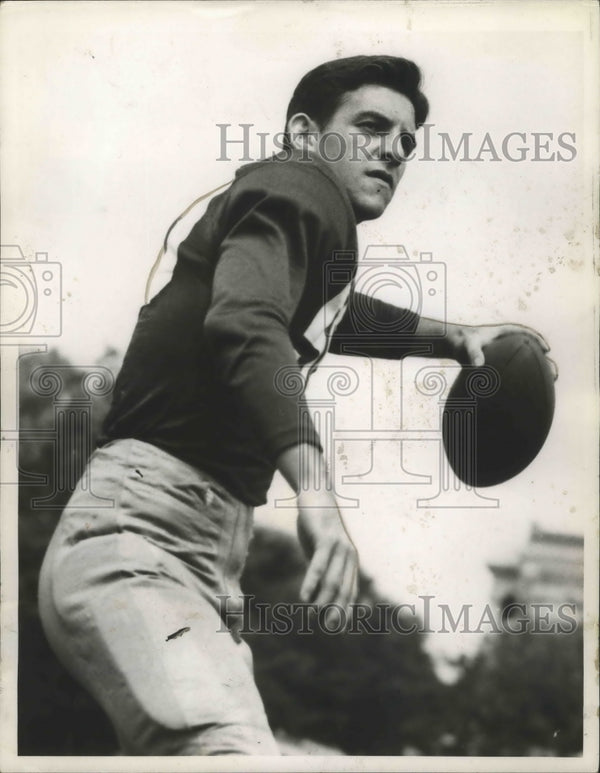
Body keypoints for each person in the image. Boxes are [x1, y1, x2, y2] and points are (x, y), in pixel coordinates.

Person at [38, 55, 553, 756]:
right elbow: (246, 321)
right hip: (142, 539)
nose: (394, 151)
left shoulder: (286, 215)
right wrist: (316, 489)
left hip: (182, 548)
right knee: (231, 753)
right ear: (305, 134)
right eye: (372, 126)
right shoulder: (303, 187)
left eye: (407, 143)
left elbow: (325, 318)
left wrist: (451, 336)